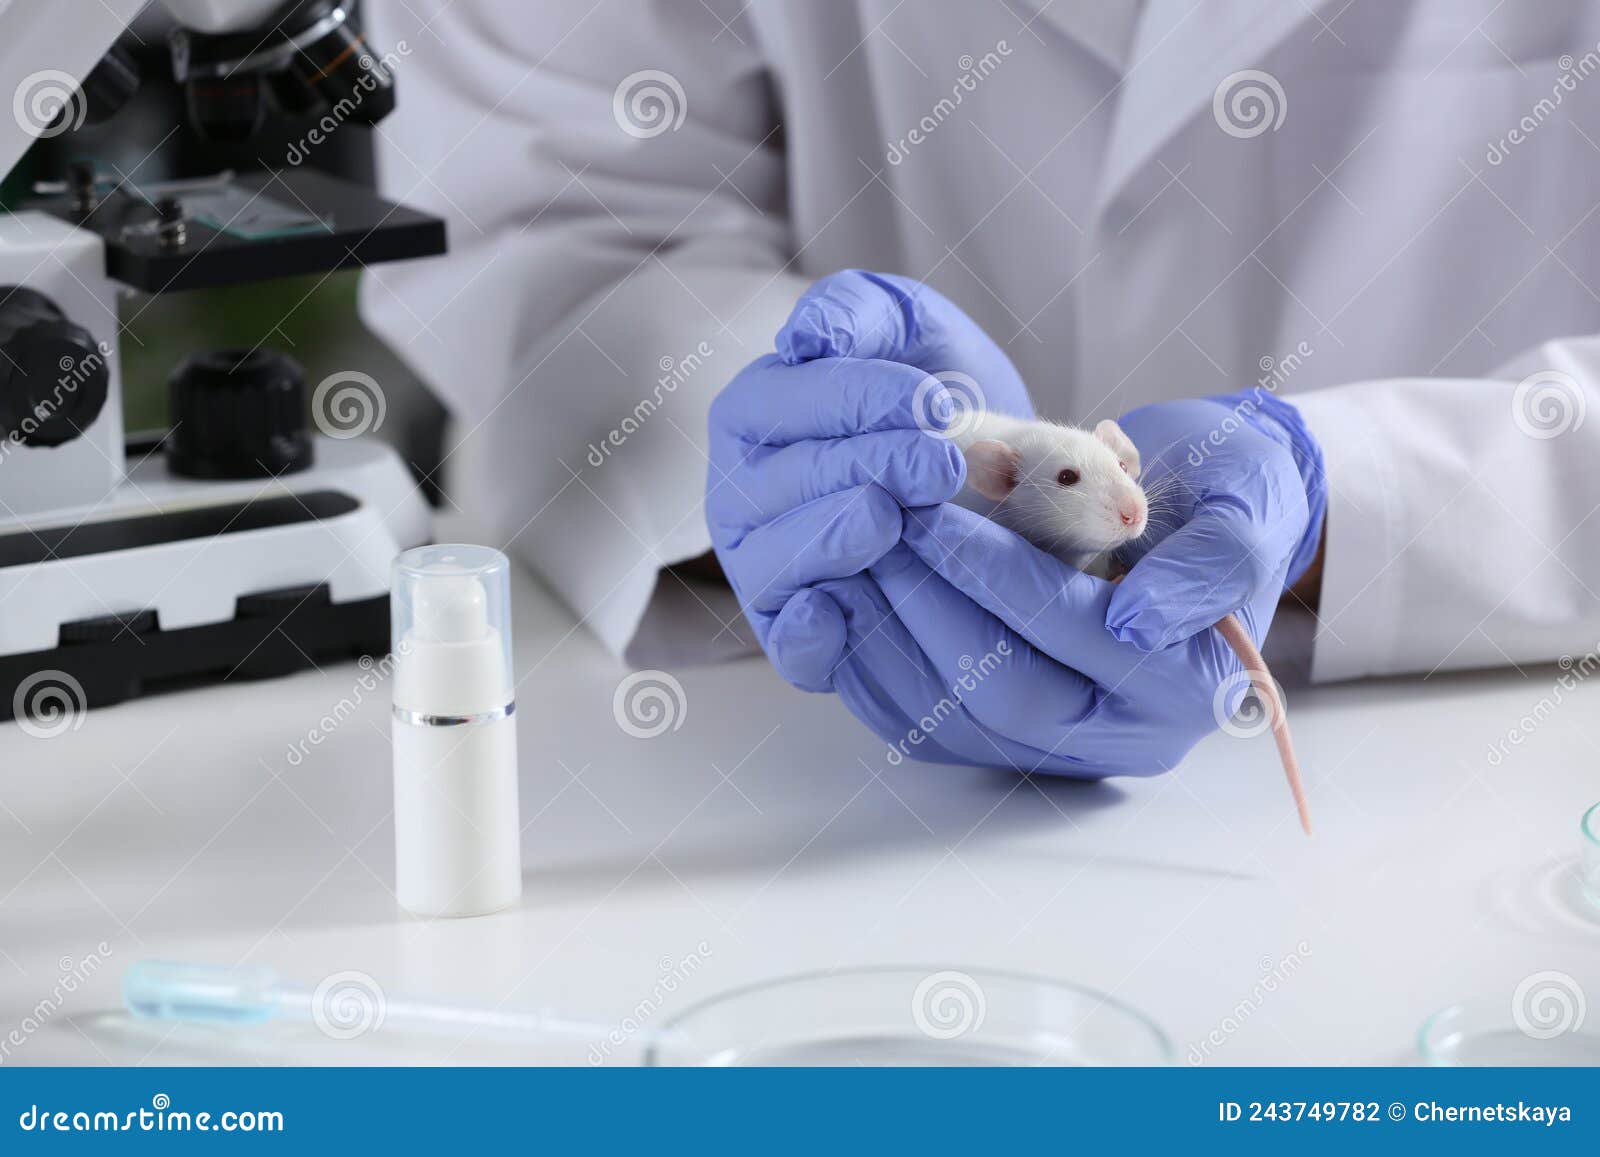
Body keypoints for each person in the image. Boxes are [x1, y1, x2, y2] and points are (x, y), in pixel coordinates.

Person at [360, 1, 1600, 777]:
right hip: (789, 764)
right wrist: (783, 426)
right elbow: (556, 218)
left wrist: (1362, 495)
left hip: (1494, 759)